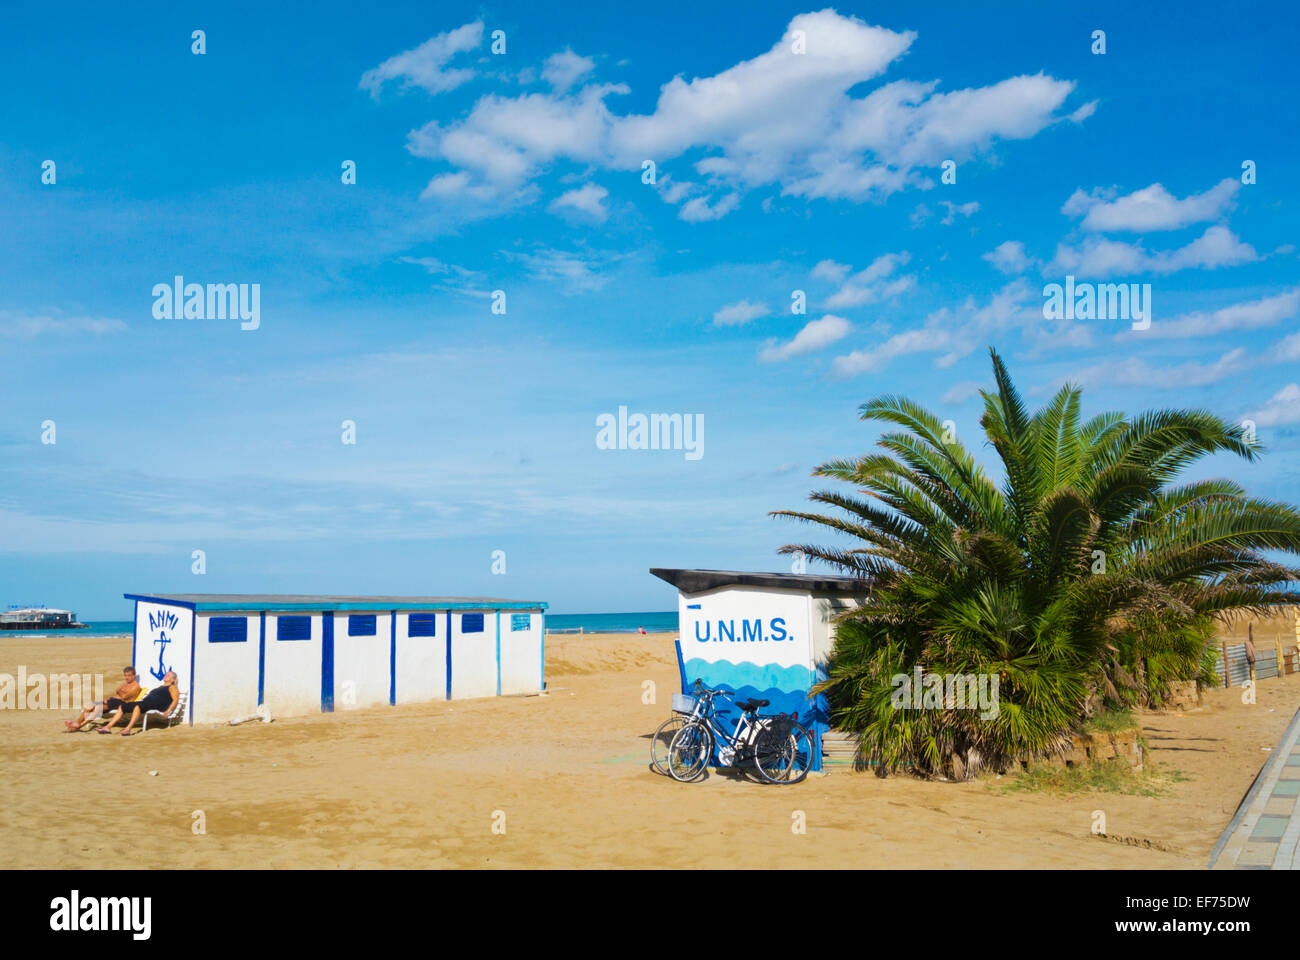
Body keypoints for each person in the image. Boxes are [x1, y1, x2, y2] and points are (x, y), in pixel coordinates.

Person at [100, 672, 179, 736]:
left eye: (168, 675)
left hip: (156, 705)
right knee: (123, 706)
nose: (166, 675)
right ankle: (107, 727)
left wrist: (169, 710)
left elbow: (175, 700)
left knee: (138, 706)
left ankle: (127, 729)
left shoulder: (172, 687)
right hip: (146, 703)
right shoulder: (160, 687)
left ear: (172, 680)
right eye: (166, 674)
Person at [64, 667, 141, 732]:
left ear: (134, 676)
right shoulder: (125, 684)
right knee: (90, 705)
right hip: (112, 701)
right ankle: (77, 722)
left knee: (98, 708)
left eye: (129, 675)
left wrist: (119, 691)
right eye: (125, 676)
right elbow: (117, 693)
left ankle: (78, 725)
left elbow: (124, 696)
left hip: (121, 703)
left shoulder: (135, 686)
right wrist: (109, 698)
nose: (127, 678)